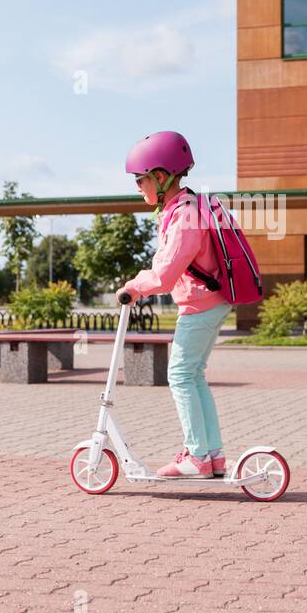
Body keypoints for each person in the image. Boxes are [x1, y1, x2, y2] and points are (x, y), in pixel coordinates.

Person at [118, 131, 234, 479]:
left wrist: (134, 287)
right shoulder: (184, 209)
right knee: (193, 375)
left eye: (141, 179)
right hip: (209, 302)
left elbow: (165, 275)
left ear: (161, 176)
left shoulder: (185, 215)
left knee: (180, 375)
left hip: (200, 305)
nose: (138, 186)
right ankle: (212, 455)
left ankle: (196, 456)